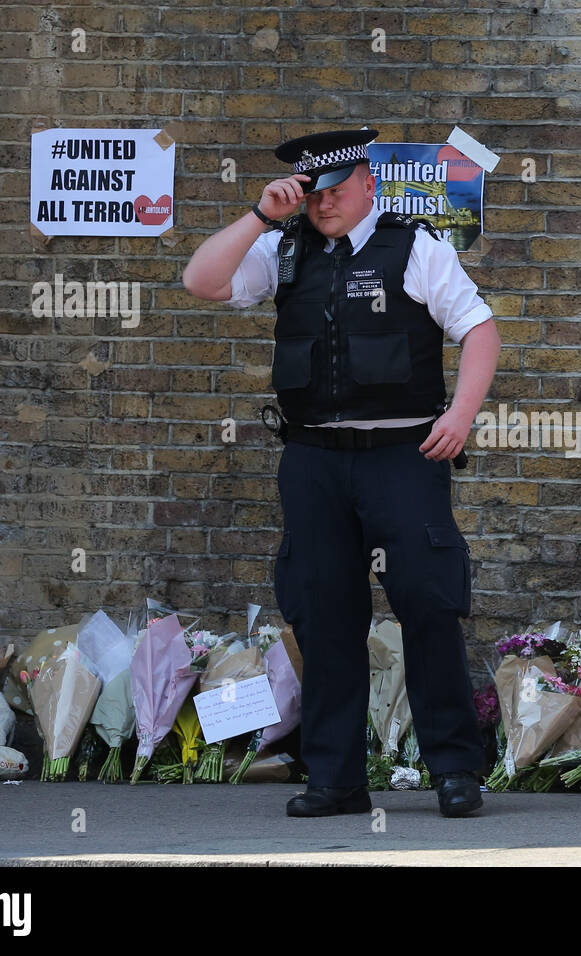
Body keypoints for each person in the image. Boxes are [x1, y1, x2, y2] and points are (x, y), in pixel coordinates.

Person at [182, 128, 501, 818]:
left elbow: (479, 330)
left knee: (428, 607)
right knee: (323, 614)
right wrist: (262, 215)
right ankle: (335, 778)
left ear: (367, 183)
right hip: (314, 459)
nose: (322, 204)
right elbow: (201, 281)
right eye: (311, 194)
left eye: (334, 191)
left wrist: (461, 415)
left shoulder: (415, 246)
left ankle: (455, 769)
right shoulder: (282, 248)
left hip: (403, 457)